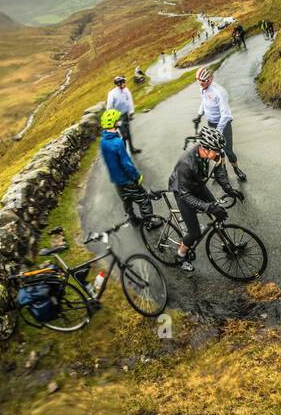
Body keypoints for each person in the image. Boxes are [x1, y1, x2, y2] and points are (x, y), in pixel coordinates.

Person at [168, 126, 242, 272]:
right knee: (194, 232)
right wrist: (208, 207)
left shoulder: (213, 151)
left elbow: (219, 171)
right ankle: (180, 255)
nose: (217, 154)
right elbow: (186, 195)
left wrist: (230, 190)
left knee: (217, 210)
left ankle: (227, 244)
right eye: (215, 151)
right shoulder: (186, 163)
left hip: (197, 183)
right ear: (204, 148)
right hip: (183, 191)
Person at [99, 108, 154, 226]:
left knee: (126, 200)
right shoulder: (117, 142)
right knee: (144, 199)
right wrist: (137, 176)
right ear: (113, 123)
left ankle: (133, 219)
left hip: (116, 180)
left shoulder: (103, 141)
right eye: (117, 121)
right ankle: (149, 222)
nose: (119, 122)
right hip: (127, 179)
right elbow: (126, 163)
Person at [193, 66, 248, 182]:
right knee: (215, 150)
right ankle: (223, 173)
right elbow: (204, 102)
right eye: (199, 81)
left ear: (210, 80)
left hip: (223, 124)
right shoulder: (203, 88)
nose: (200, 84)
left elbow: (226, 115)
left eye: (203, 81)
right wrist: (199, 115)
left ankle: (236, 168)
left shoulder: (219, 92)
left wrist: (218, 131)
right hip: (211, 123)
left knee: (228, 150)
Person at [106, 76, 141, 154]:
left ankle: (132, 149)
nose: (125, 84)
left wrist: (131, 112)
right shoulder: (112, 94)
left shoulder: (126, 90)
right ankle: (123, 153)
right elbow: (109, 107)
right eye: (123, 82)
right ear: (118, 84)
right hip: (118, 118)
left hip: (125, 115)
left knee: (128, 133)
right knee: (124, 135)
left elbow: (129, 101)